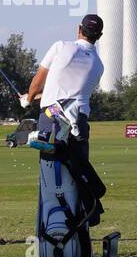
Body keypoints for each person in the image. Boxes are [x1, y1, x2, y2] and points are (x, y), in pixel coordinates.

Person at [25, 14, 105, 155]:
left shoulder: (60, 47)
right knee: (77, 172)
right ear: (100, 35)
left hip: (53, 115)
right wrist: (36, 96)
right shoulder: (99, 65)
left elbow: (37, 82)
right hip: (80, 121)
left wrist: (28, 99)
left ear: (79, 28)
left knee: (51, 171)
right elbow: (73, 93)